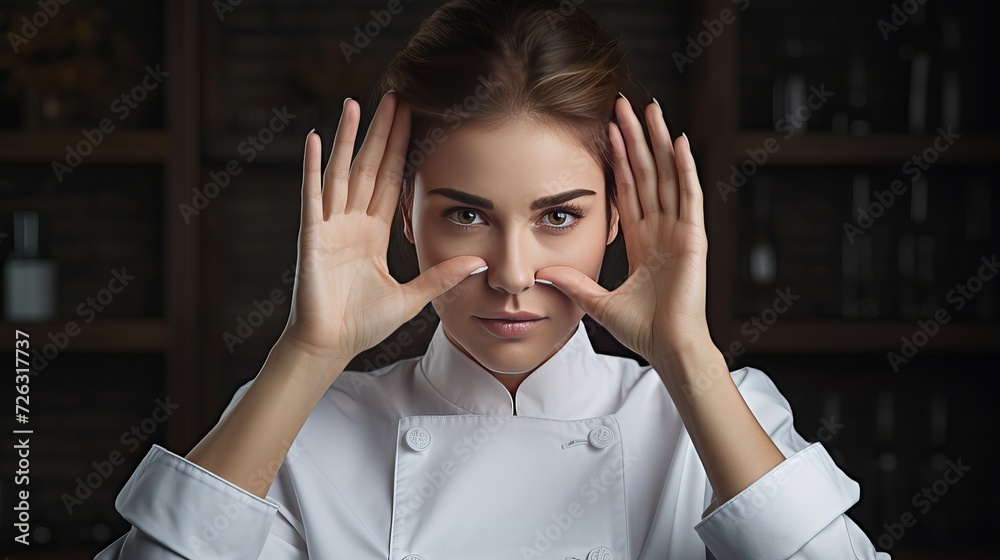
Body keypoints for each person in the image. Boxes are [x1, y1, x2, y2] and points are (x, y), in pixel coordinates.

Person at [95, 0, 889, 558]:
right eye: (466, 215)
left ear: (618, 218)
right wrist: (307, 353)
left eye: (559, 217)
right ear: (406, 216)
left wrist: (688, 358)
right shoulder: (301, 431)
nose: (512, 277)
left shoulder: (716, 420)